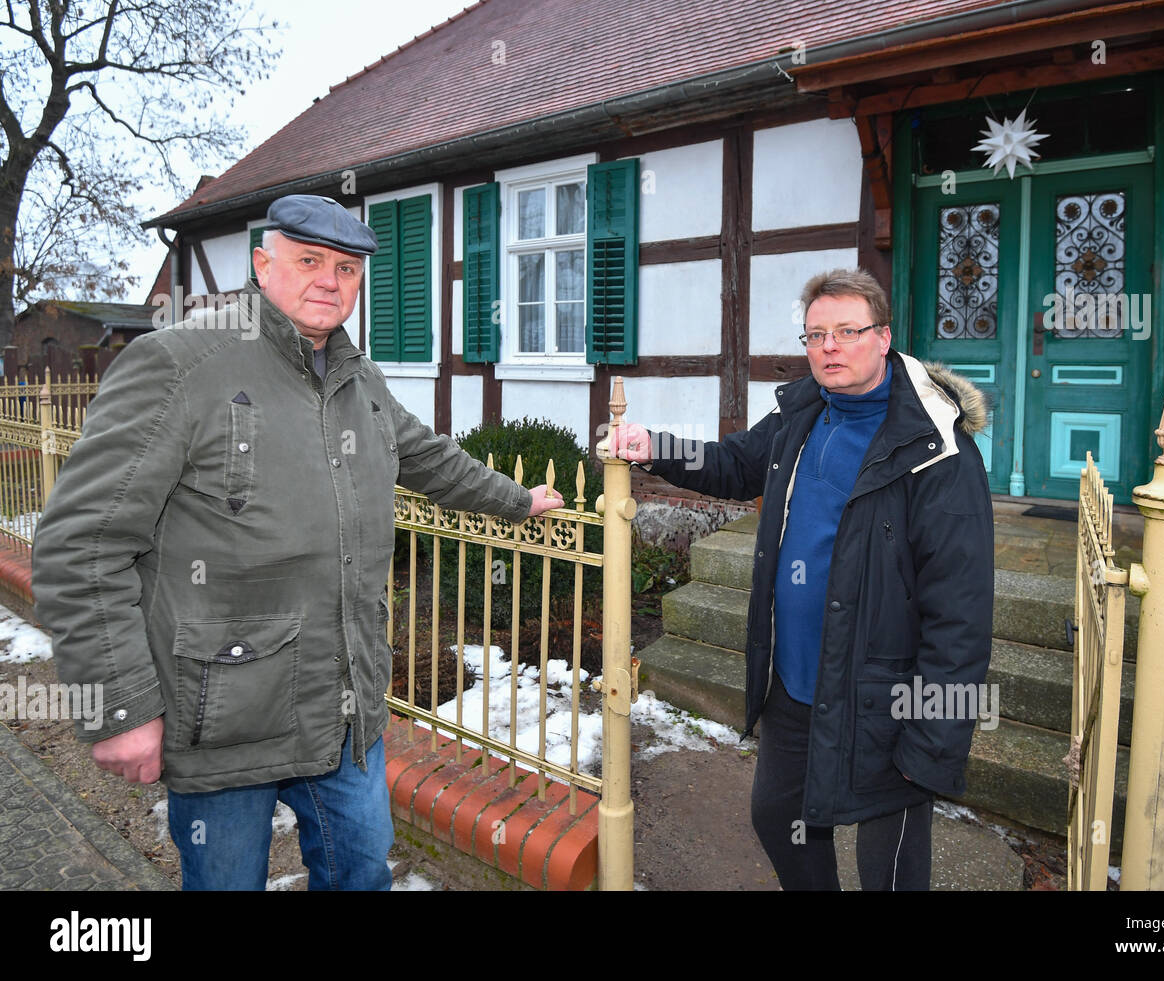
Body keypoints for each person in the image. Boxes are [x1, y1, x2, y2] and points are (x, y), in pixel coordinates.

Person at [31, 194, 563, 891]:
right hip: (225, 718)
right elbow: (82, 540)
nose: (329, 281)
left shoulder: (358, 380)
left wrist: (519, 499)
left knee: (361, 876)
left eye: (347, 269)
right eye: (309, 260)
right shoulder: (182, 364)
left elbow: (433, 460)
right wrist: (120, 706)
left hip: (342, 710)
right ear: (263, 263)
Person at [610, 268, 993, 890]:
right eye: (815, 335)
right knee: (777, 816)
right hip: (794, 681)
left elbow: (962, 614)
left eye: (847, 331)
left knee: (890, 871)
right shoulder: (803, 413)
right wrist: (654, 446)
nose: (829, 348)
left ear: (884, 337)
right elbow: (736, 465)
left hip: (884, 696)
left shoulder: (936, 449)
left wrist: (933, 745)